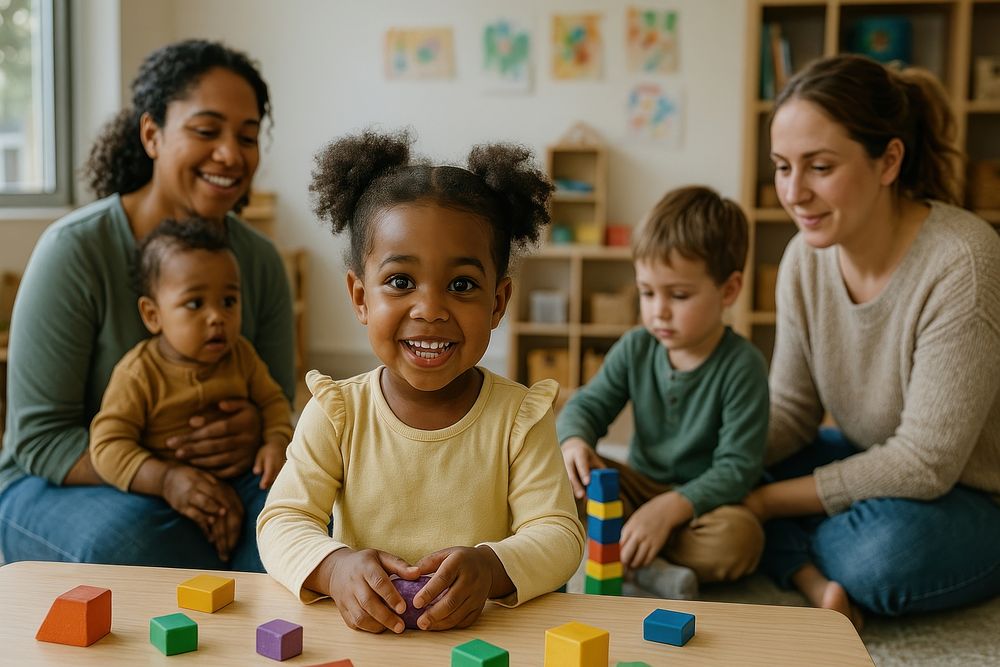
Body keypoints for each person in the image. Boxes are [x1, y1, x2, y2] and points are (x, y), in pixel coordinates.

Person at [257, 130, 585, 634]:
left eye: (461, 286)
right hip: (367, 639)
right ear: (361, 296)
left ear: (498, 303)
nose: (430, 310)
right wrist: (335, 568)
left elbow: (559, 535)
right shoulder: (337, 412)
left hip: (483, 642)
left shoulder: (520, 418)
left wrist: (491, 569)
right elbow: (282, 522)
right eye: (401, 282)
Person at [0, 39, 294, 572]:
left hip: (219, 483)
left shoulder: (261, 262)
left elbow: (277, 401)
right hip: (62, 483)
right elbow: (40, 442)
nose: (230, 154)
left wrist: (258, 431)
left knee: (310, 527)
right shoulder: (76, 251)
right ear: (152, 134)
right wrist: (165, 477)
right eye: (206, 131)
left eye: (247, 137)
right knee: (142, 544)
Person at [743, 54, 1000, 627]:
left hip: (972, 495)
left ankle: (788, 544)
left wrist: (759, 503)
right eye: (783, 167)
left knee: (883, 557)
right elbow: (791, 411)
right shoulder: (802, 262)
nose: (794, 192)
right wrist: (704, 472)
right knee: (731, 459)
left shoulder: (962, 258)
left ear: (888, 161)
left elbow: (926, 464)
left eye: (820, 167)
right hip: (867, 457)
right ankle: (812, 569)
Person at [557, 186, 769, 600]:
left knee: (741, 539)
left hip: (700, 508)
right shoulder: (638, 346)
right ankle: (649, 566)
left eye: (679, 295)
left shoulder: (744, 365)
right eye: (648, 292)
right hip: (637, 489)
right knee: (566, 480)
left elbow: (736, 470)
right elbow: (587, 403)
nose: (658, 311)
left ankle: (632, 558)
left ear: (728, 291)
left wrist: (669, 510)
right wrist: (575, 441)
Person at [90, 218, 293, 563]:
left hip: (245, 479)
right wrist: (166, 480)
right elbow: (108, 447)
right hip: (166, 490)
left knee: (296, 506)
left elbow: (273, 401)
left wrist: (276, 439)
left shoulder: (241, 354)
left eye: (229, 301)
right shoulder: (139, 372)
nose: (217, 317)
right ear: (153, 315)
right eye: (195, 304)